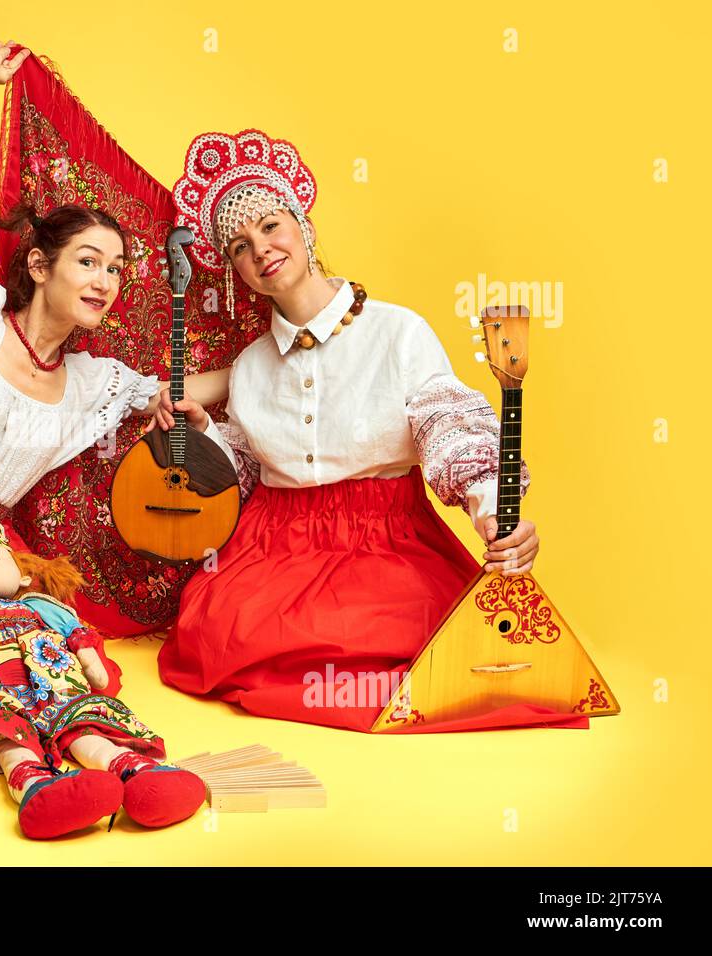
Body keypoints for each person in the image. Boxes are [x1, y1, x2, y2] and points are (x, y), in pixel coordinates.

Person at [156, 129, 572, 733]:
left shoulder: (398, 331)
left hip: (385, 539)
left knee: (414, 641)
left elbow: (447, 423)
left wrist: (492, 513)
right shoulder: (248, 367)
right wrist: (206, 440)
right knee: (215, 632)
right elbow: (248, 470)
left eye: (271, 226)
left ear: (303, 227)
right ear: (235, 271)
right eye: (241, 247)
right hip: (276, 545)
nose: (262, 250)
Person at [0, 40, 222, 639]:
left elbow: (179, 390)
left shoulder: (92, 383)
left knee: (33, 680)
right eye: (88, 262)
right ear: (37, 266)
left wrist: (284, 347)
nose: (104, 281)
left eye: (115, 268)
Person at [0, 519, 206, 839]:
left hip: (56, 685)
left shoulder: (36, 605)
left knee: (81, 726)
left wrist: (90, 661)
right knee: (6, 734)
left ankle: (134, 770)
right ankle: (35, 786)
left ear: (23, 574)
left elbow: (75, 634)